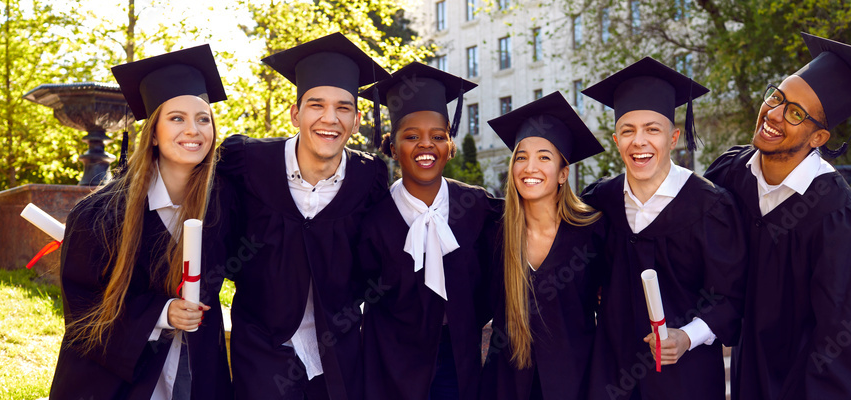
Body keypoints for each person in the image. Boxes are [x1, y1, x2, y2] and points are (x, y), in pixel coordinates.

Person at [704, 32, 851, 400]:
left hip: (798, 386)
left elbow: (838, 343)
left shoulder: (839, 218)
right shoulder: (731, 172)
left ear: (818, 137)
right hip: (742, 375)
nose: (773, 114)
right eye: (777, 97)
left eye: (794, 113)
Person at [209, 32, 390, 400]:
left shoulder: (369, 178)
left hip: (337, 356)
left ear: (356, 121)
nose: (330, 119)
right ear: (295, 113)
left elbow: (376, 262)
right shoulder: (247, 163)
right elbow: (213, 237)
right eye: (316, 105)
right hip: (260, 352)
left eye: (343, 108)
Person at [49, 44, 232, 399]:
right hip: (116, 382)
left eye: (203, 118)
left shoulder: (223, 206)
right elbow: (82, 308)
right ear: (153, 132)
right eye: (176, 118)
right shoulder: (98, 215)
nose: (193, 130)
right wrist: (162, 313)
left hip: (197, 371)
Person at [581, 56, 747, 400]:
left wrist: (687, 336)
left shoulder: (711, 205)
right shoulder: (601, 201)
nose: (639, 141)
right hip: (612, 372)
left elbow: (732, 297)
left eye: (652, 129)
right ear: (616, 140)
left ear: (673, 138)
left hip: (686, 376)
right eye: (628, 130)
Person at [355, 62, 500, 400]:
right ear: (391, 147)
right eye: (411, 136)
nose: (426, 145)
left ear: (450, 145)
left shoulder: (478, 207)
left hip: (460, 362)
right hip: (391, 366)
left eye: (438, 136)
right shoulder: (371, 219)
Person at [480, 91, 608, 400]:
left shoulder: (593, 233)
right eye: (521, 157)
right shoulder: (494, 233)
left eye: (544, 157)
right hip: (506, 384)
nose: (529, 167)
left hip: (576, 382)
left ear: (563, 174)